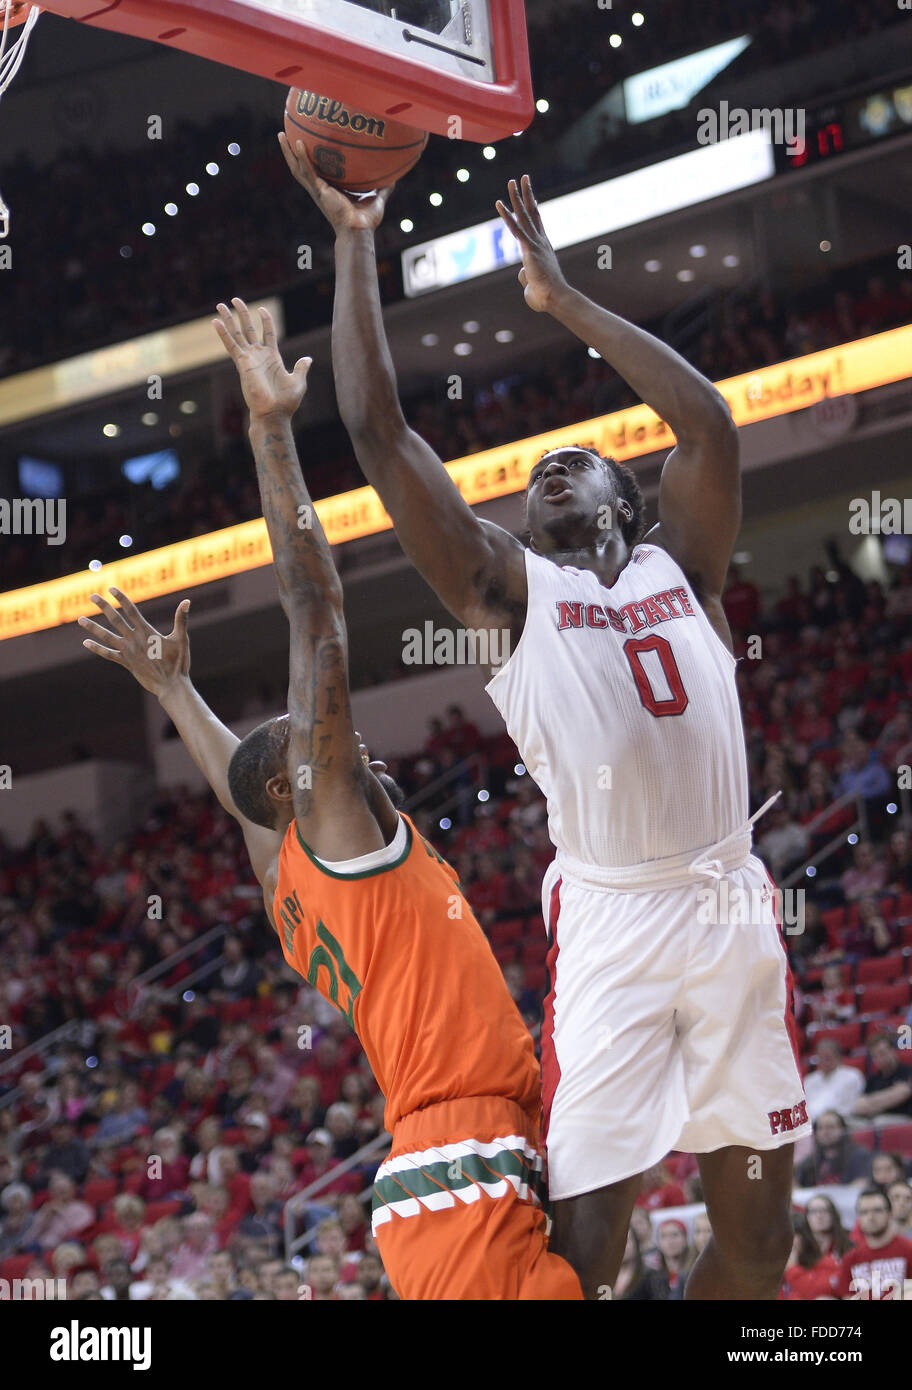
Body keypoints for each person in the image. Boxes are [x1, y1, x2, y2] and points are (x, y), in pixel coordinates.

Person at [281, 138, 810, 1300]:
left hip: (727, 902)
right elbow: (380, 436)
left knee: (764, 1244)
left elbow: (709, 424)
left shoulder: (692, 570)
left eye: (575, 465)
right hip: (614, 926)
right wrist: (355, 243)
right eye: (535, 479)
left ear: (629, 500)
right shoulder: (508, 593)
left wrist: (566, 300)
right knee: (582, 1255)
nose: (549, 478)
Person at [80, 300, 579, 1304]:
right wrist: (271, 430)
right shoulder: (337, 826)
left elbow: (238, 795)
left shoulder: (289, 877)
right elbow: (316, 609)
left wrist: (177, 690)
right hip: (463, 1157)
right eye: (324, 751)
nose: (357, 752)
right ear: (297, 785)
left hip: (458, 1162)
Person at [832, 1188, 912, 1300]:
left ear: (889, 1213)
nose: (871, 1217)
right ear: (858, 1218)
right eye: (864, 1212)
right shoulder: (850, 1259)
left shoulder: (908, 1250)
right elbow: (847, 1296)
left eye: (877, 1210)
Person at [780, 1196, 852, 1300]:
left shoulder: (844, 1251)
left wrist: (792, 1270)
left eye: (824, 1210)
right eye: (813, 1211)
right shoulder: (797, 1254)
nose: (819, 1216)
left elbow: (826, 1288)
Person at [795, 1111, 872, 1187]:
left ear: (843, 1129)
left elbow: (862, 1183)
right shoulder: (809, 1162)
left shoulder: (860, 1155)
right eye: (820, 1128)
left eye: (831, 1127)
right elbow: (798, 1188)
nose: (825, 1132)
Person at [852, 1033, 912, 1120]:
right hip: (874, 1120)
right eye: (874, 1056)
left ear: (893, 1051)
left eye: (882, 1053)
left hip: (904, 1120)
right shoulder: (872, 1079)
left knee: (880, 1120)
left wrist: (872, 1102)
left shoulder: (908, 1071)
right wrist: (892, 1095)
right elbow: (859, 1106)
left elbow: (903, 1093)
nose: (879, 1058)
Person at [802, 1039, 865, 1121]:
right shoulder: (809, 1080)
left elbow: (850, 1107)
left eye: (828, 1057)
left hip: (841, 1122)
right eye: (821, 1057)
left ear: (838, 1057)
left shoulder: (852, 1076)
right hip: (812, 1124)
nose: (824, 1061)